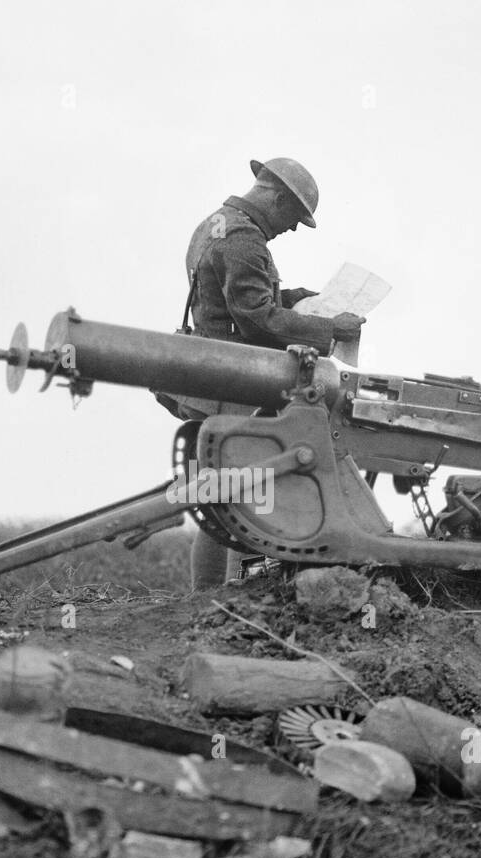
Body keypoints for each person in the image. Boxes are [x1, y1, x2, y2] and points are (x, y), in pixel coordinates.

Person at [169, 158, 366, 590]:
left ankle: (214, 598)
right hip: (235, 384)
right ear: (277, 199)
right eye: (293, 218)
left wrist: (296, 298)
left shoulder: (216, 224)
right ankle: (221, 598)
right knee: (241, 495)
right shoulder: (244, 238)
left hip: (211, 375)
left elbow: (237, 300)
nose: (291, 229)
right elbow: (255, 317)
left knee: (225, 495)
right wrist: (329, 330)